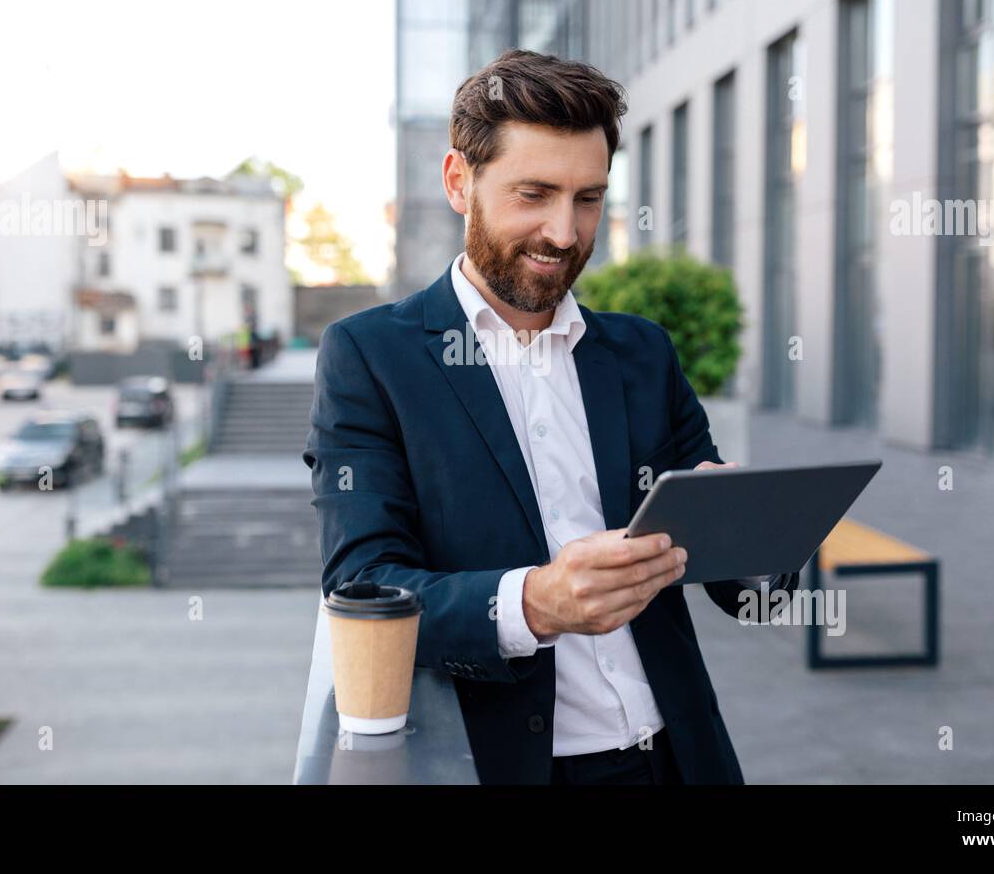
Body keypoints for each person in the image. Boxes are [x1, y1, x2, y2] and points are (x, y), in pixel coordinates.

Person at [304, 49, 799, 785]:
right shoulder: (371, 356)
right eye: (533, 194)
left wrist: (753, 537)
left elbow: (750, 597)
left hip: (677, 761)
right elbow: (365, 588)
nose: (564, 234)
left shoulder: (641, 353)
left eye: (589, 199)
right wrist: (535, 604)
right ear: (457, 182)